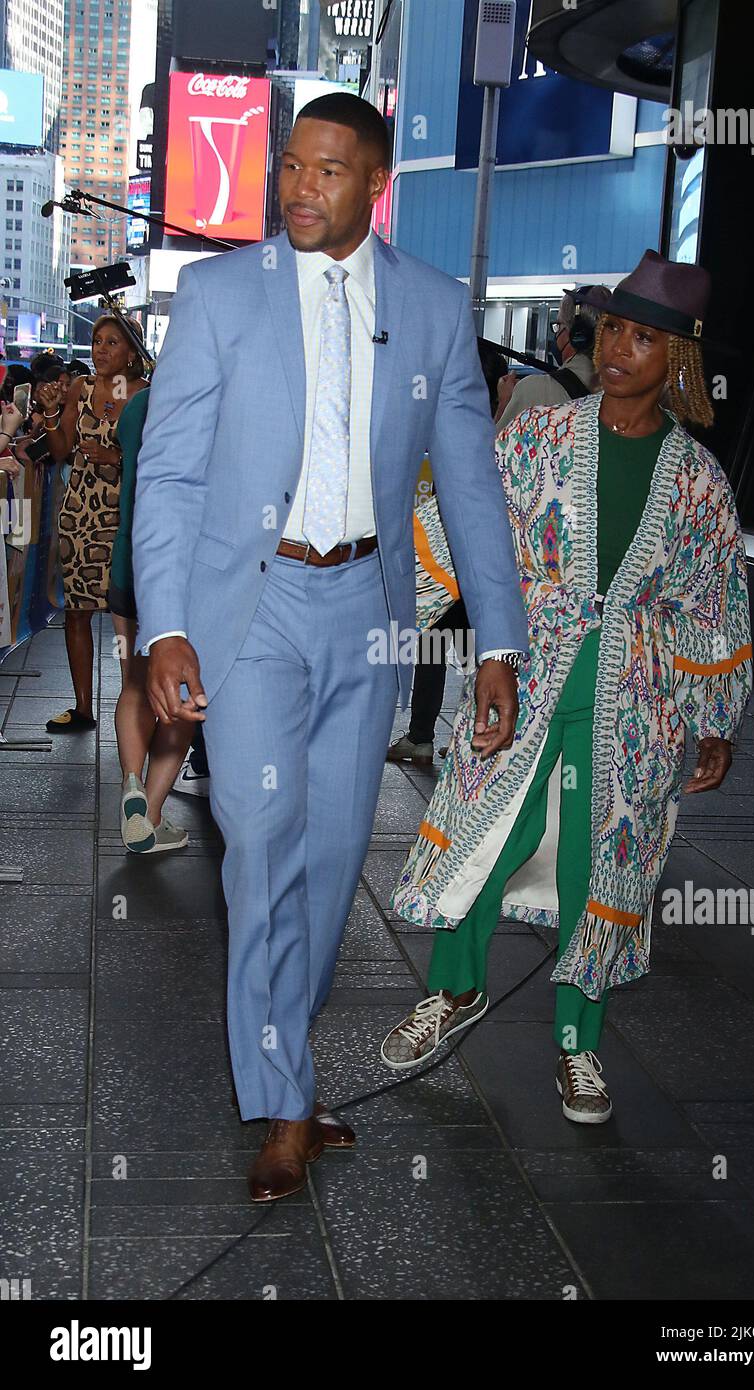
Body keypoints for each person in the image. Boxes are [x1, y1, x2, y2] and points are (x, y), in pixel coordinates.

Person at [131, 92, 528, 1202]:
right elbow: (166, 474)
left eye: (327, 170)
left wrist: (497, 641)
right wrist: (165, 625)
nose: (299, 188)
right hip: (248, 615)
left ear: (375, 183)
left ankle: (282, 1062)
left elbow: (474, 489)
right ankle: (284, 1102)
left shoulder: (436, 310)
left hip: (369, 610)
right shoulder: (217, 297)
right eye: (290, 167)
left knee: (333, 859)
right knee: (260, 849)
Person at [382, 250, 752, 1126]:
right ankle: (455, 990)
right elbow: (467, 529)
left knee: (602, 861)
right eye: (615, 327)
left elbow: (714, 604)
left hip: (637, 702)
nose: (620, 347)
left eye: (646, 337)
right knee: (488, 828)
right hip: (524, 671)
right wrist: (371, 593)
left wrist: (713, 723)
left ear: (681, 361)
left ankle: (578, 1043)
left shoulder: (698, 482)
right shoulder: (540, 436)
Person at [386, 338, 507, 768]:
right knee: (466, 647)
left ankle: (432, 734)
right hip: (477, 564)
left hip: (457, 559)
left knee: (439, 645)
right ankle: (464, 733)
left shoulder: (493, 422)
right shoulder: (484, 413)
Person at [40, 316, 148, 732]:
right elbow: (62, 448)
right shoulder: (80, 390)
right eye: (96, 341)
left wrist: (116, 459)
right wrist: (51, 415)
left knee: (129, 617)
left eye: (111, 342)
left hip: (124, 518)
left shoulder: (144, 396)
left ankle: (134, 703)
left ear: (132, 353)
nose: (100, 350)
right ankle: (83, 707)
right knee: (77, 613)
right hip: (79, 515)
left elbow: (155, 459)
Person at [108, 387, 191, 853]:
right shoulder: (201, 400)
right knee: (183, 694)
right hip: (183, 568)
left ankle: (132, 782)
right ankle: (152, 815)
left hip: (129, 559)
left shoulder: (137, 405)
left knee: (136, 683)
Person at [495, 285, 612, 431]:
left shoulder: (534, 390)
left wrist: (504, 403)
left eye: (559, 326)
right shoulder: (624, 390)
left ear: (577, 335)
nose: (556, 335)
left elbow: (492, 449)